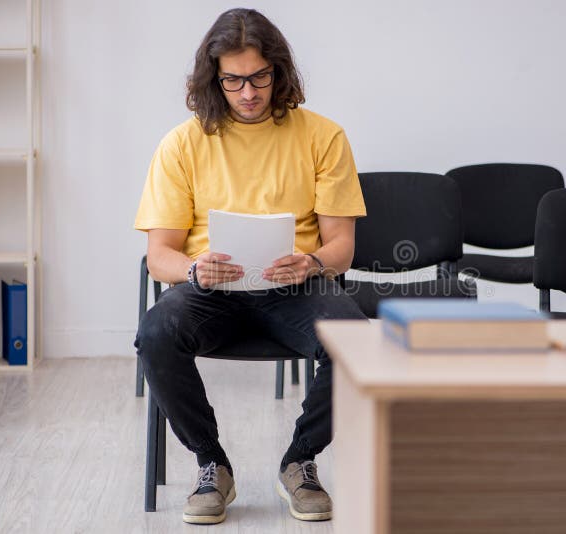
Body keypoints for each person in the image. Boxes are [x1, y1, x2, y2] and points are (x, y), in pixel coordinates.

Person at [133, 7, 367, 526]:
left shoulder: (323, 136)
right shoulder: (183, 143)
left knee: (355, 338)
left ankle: (299, 460)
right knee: (156, 333)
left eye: (259, 77)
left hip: (294, 289)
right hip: (210, 292)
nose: (247, 92)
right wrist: (195, 270)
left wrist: (311, 261)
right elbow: (159, 257)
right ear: (214, 79)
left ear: (279, 71)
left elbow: (342, 248)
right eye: (233, 80)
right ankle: (212, 463)